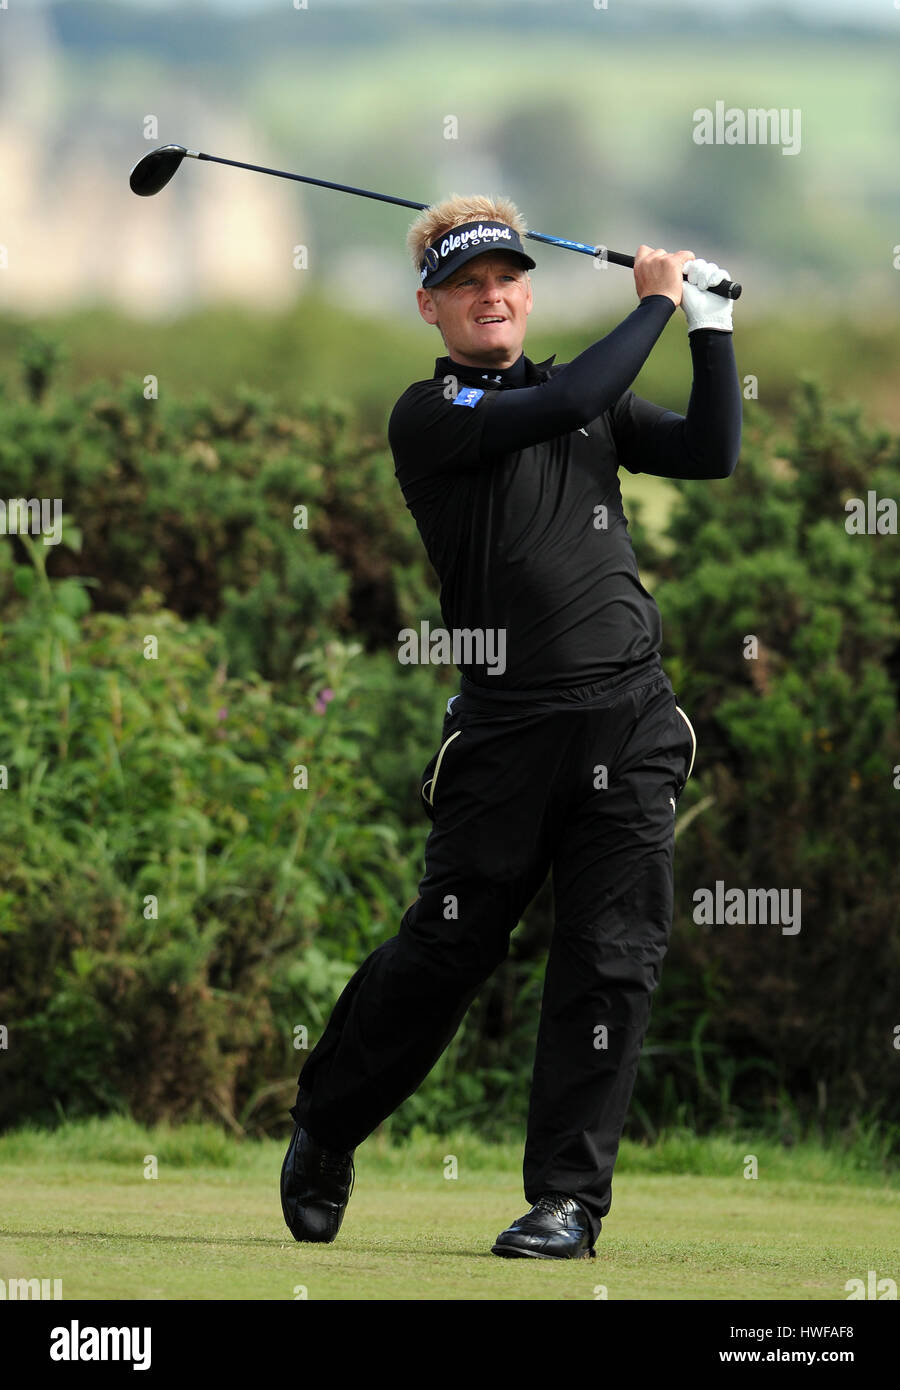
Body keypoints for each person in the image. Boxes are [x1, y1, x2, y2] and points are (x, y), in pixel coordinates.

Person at [281, 194, 741, 1260]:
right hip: (503, 734)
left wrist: (711, 332)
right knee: (446, 951)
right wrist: (663, 301)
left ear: (528, 292)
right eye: (466, 284)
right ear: (429, 307)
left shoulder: (581, 401)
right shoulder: (431, 415)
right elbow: (583, 383)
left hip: (626, 719)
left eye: (507, 278)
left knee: (610, 956)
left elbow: (712, 451)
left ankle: (568, 1203)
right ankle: (327, 1123)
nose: (491, 295)